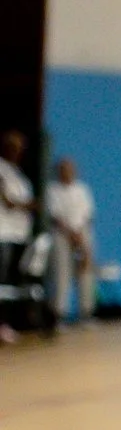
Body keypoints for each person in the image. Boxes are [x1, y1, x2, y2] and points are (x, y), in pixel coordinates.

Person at [45, 156, 97, 325]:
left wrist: (80, 236)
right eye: (64, 169)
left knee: (85, 272)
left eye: (70, 169)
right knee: (62, 274)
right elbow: (55, 216)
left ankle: (86, 313)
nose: (67, 172)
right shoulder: (52, 190)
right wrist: (71, 234)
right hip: (61, 236)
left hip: (83, 234)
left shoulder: (82, 189)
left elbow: (88, 215)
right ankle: (60, 315)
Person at [0, 131, 30, 340]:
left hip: (19, 234)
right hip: (3, 232)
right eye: (14, 146)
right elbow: (8, 202)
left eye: (20, 148)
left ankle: (7, 323)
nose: (17, 151)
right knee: (2, 281)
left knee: (11, 283)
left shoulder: (17, 172)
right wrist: (28, 205)